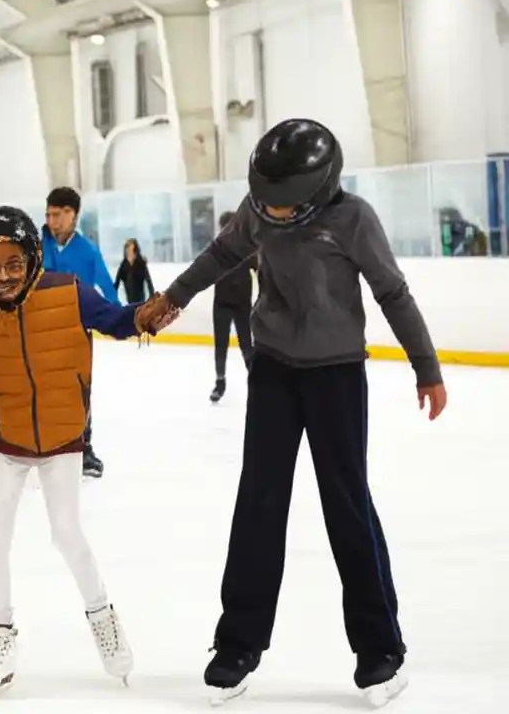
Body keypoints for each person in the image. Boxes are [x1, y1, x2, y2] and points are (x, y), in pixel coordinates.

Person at [141, 119, 446, 707]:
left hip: (336, 376)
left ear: (320, 189)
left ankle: (380, 647)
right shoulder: (257, 210)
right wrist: (173, 295)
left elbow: (393, 293)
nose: (273, 216)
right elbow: (221, 253)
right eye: (267, 205)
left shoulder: (352, 219)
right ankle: (238, 643)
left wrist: (426, 367)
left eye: (286, 207)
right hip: (275, 369)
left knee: (347, 502)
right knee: (259, 500)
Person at [0, 206, 176, 697]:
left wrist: (143, 315)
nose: (3, 276)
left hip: (61, 438)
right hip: (6, 438)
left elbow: (115, 320)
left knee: (67, 533)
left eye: (13, 264)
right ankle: (1, 636)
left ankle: (101, 615)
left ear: (32, 259)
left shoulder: (68, 292)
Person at [42, 186, 115, 478]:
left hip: (74, 330)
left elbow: (107, 288)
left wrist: (124, 316)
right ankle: (43, 447)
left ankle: (84, 450)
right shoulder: (35, 245)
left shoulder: (87, 252)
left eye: (57, 215)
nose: (51, 221)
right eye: (48, 214)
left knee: (79, 390)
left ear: (72, 215)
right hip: (40, 330)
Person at [208, 212, 257, 403]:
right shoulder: (216, 250)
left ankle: (256, 383)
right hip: (221, 304)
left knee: (246, 343)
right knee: (221, 344)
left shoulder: (248, 249)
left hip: (242, 304)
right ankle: (220, 383)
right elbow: (204, 273)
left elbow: (262, 270)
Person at [113, 238, 154, 304]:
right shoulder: (124, 265)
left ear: (135, 252)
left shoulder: (141, 263)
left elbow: (149, 282)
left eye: (130, 250)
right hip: (129, 300)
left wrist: (152, 297)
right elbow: (116, 283)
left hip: (140, 300)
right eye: (127, 250)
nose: (129, 253)